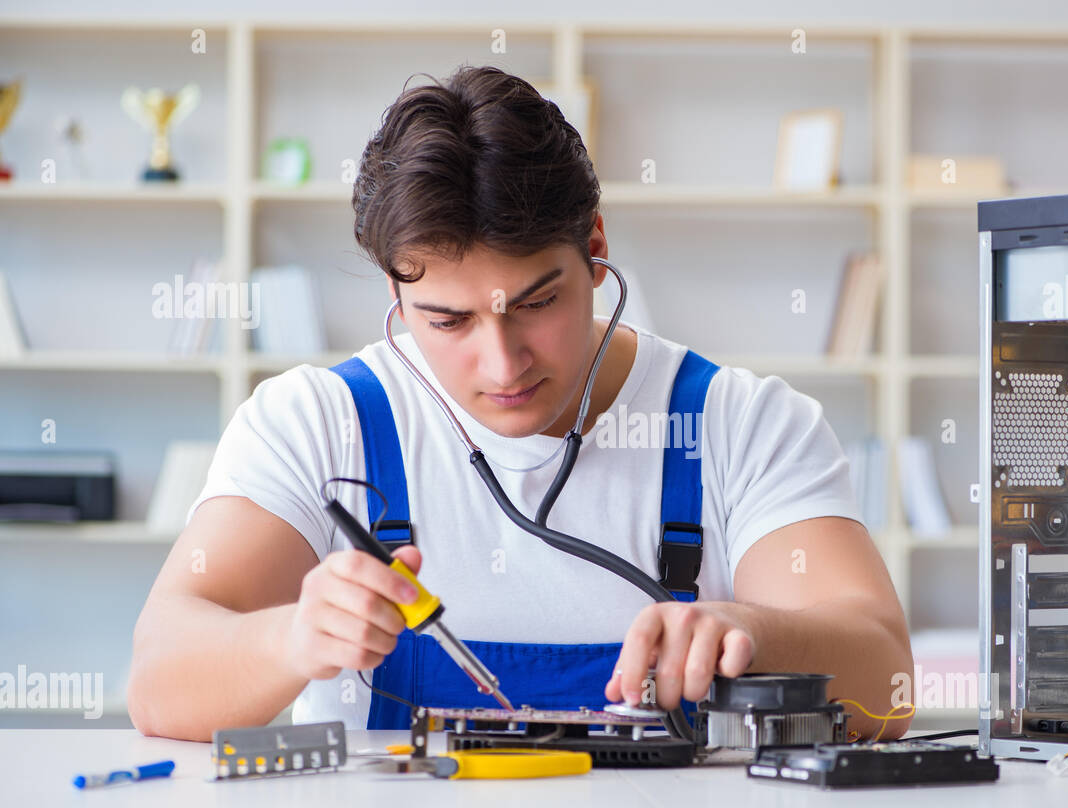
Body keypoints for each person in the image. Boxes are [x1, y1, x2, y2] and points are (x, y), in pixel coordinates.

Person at [127, 65, 912, 743]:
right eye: (448, 320)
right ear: (397, 291)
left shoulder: (738, 423)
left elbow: (888, 681)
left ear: (596, 250)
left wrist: (751, 629)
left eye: (536, 303)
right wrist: (290, 639)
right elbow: (159, 677)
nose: (502, 363)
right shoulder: (315, 423)